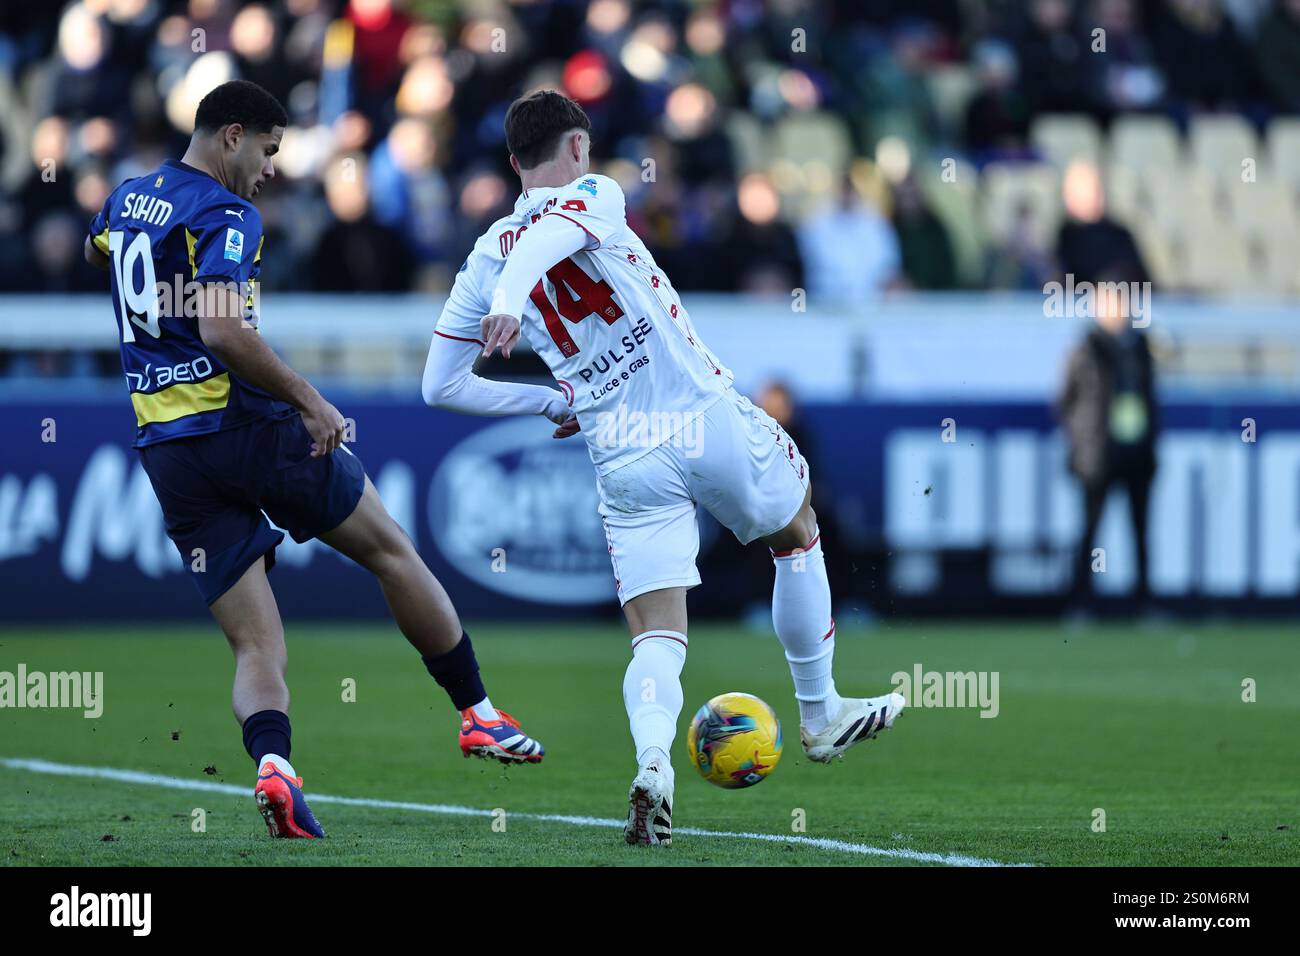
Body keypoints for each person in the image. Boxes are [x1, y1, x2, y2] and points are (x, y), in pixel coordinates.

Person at [421, 90, 904, 846]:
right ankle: (819, 712)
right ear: (576, 147)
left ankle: (655, 764)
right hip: (696, 410)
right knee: (797, 530)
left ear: (515, 163)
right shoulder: (597, 191)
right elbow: (551, 242)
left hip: (620, 447)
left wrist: (553, 402)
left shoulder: (485, 255)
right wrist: (514, 304)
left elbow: (440, 385)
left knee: (654, 634)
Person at [83, 80, 544, 841]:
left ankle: (276, 767)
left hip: (169, 451)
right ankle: (479, 715)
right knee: (393, 551)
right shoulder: (227, 213)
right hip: (252, 427)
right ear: (232, 134)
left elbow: (107, 245)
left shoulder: (125, 201)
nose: (268, 171)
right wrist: (308, 399)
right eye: (266, 151)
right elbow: (225, 332)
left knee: (258, 644)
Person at [1056, 273, 1159, 609]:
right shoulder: (1086, 347)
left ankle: (1143, 602)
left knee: (1139, 530)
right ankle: (1081, 601)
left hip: (1136, 453)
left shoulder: (1140, 345)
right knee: (1091, 530)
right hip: (1099, 455)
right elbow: (1066, 402)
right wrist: (1083, 442)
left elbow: (1150, 398)